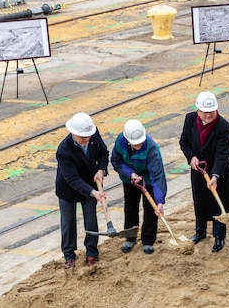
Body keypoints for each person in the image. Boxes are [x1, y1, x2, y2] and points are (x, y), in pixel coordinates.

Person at [179, 91, 229, 252]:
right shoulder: (190, 119)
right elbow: (184, 142)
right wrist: (192, 158)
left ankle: (219, 236)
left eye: (212, 111)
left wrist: (215, 175)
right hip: (198, 170)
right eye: (206, 111)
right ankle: (200, 231)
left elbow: (222, 153)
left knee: (219, 202)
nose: (210, 114)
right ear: (198, 111)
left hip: (218, 170)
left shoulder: (223, 126)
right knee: (200, 201)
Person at [54, 112, 109, 269]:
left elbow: (103, 153)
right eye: (82, 138)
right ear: (73, 133)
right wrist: (94, 193)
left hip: (90, 183)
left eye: (88, 137)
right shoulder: (63, 150)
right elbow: (72, 179)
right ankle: (69, 256)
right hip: (68, 189)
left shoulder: (92, 134)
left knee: (91, 219)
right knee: (68, 222)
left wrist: (101, 170)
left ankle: (91, 253)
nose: (86, 140)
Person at [110, 119, 167, 254]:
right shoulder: (120, 142)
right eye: (135, 144)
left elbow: (157, 175)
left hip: (149, 178)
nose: (138, 145)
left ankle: (148, 240)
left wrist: (159, 201)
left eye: (140, 142)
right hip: (130, 178)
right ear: (128, 140)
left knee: (150, 209)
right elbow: (116, 161)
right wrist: (130, 174)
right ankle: (130, 237)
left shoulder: (152, 148)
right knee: (130, 207)